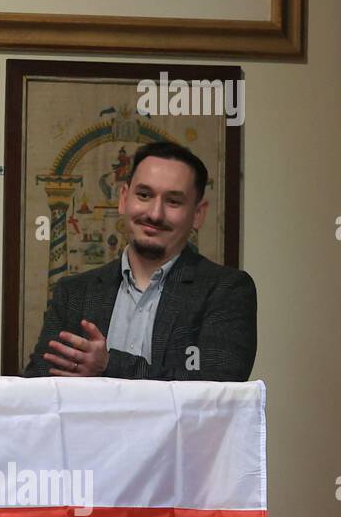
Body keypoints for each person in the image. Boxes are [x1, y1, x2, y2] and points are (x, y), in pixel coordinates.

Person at [24, 141, 257, 381]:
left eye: (173, 201)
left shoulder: (227, 291)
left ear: (198, 214)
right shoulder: (73, 293)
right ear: (124, 199)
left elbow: (218, 387)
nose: (155, 214)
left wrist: (109, 365)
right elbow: (39, 389)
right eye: (144, 195)